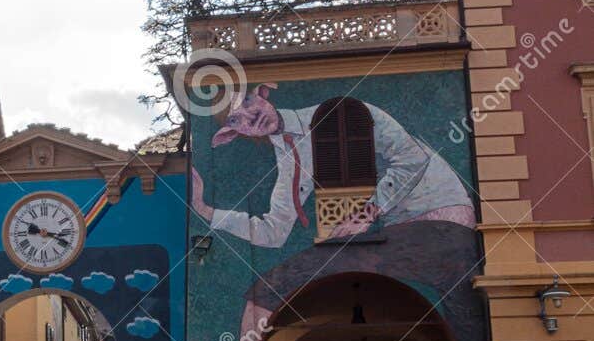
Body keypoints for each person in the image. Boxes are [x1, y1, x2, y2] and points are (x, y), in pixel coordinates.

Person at [190, 83, 475, 245]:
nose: (252, 116)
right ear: (230, 135)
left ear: (264, 93)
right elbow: (273, 232)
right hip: (393, 232)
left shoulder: (342, 112)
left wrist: (363, 216)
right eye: (236, 119)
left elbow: (412, 160)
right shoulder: (289, 165)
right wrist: (206, 211)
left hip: (441, 211)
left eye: (249, 101)